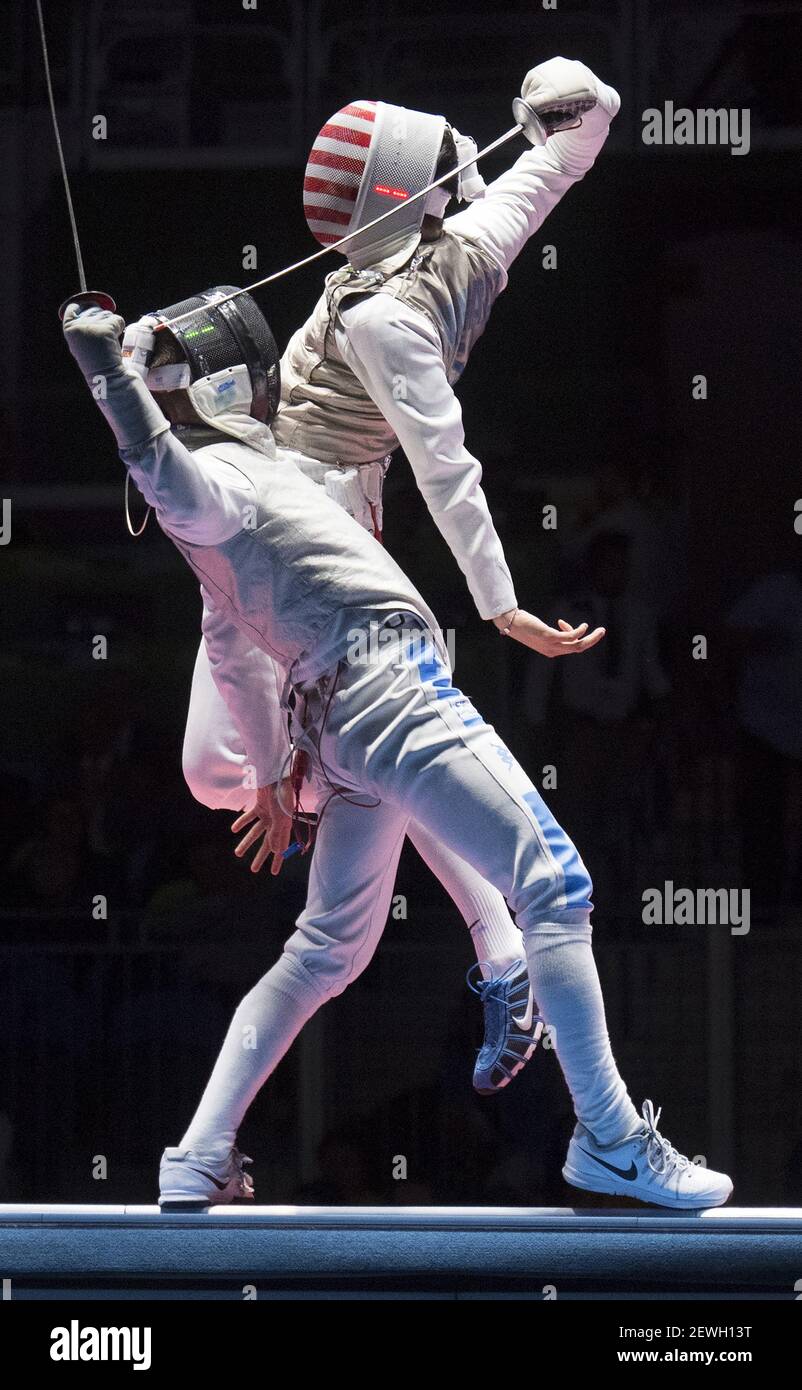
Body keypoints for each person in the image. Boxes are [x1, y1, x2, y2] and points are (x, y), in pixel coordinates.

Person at [62, 285, 733, 1212]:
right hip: (390, 691)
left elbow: (227, 642)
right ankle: (610, 1139)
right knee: (556, 882)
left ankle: (201, 1152)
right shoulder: (215, 483)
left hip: (337, 723)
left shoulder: (250, 474)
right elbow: (161, 471)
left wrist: (272, 772)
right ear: (227, 389)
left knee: (323, 952)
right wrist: (109, 373)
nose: (274, 390)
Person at [181, 55, 619, 1089]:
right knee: (224, 774)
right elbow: (583, 126)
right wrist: (547, 95)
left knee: (284, 770)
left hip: (311, 533)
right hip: (291, 498)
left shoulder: (387, 321)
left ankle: (497, 941)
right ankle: (490, 934)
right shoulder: (469, 240)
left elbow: (445, 463)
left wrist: (500, 606)